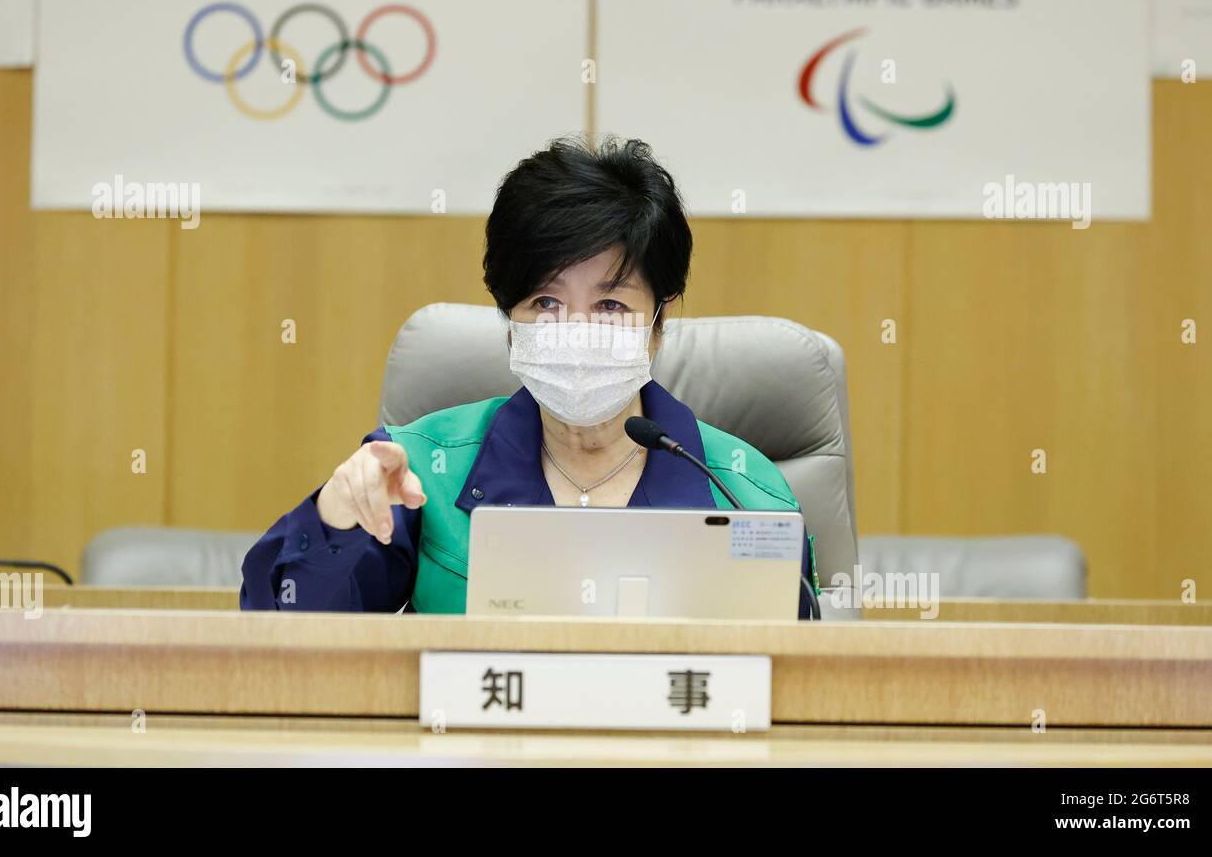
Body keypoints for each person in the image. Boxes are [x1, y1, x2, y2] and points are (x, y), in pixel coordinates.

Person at [240, 137, 817, 616]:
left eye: (611, 305)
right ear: (510, 322)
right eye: (545, 302)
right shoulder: (420, 471)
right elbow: (284, 633)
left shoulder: (744, 492)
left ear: (659, 323)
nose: (575, 329)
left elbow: (799, 680)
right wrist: (337, 516)